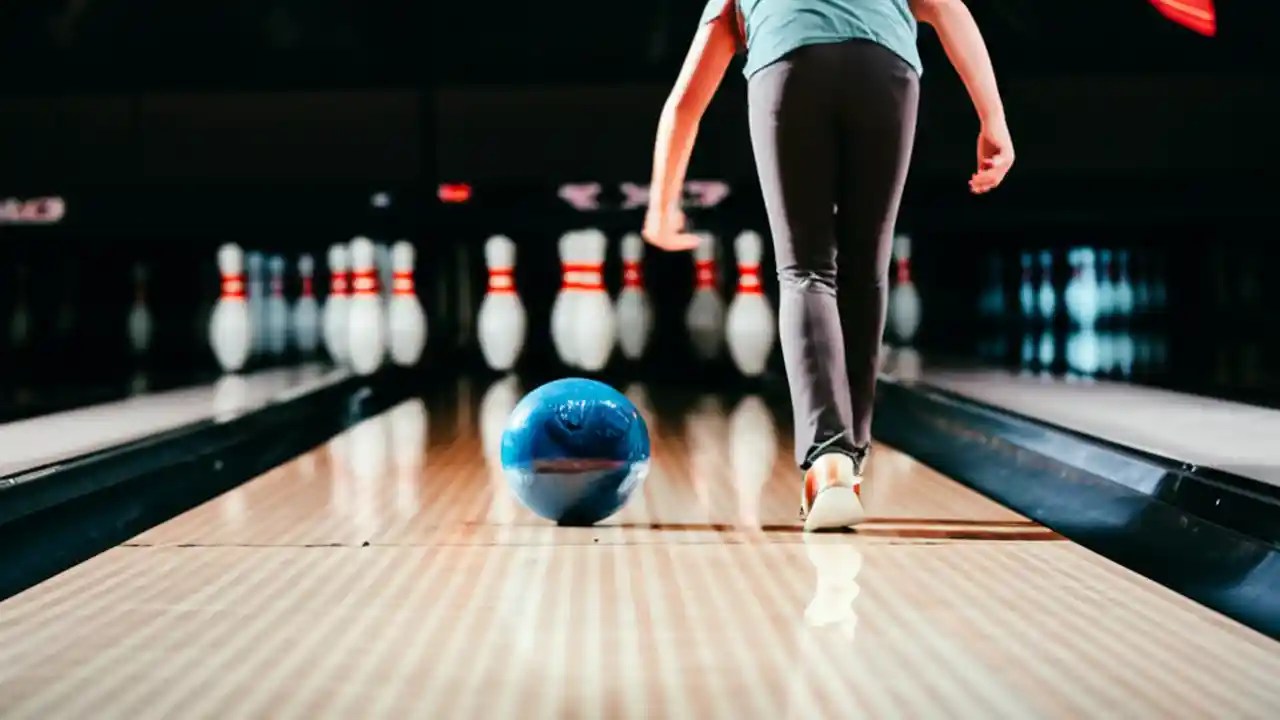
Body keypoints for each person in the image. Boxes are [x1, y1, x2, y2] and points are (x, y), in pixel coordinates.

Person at [642, 0, 1014, 531]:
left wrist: (661, 206)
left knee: (805, 270)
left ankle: (829, 457)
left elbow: (685, 104)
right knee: (866, 269)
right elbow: (947, 7)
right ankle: (849, 461)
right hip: (885, 69)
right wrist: (992, 116)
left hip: (787, 68)